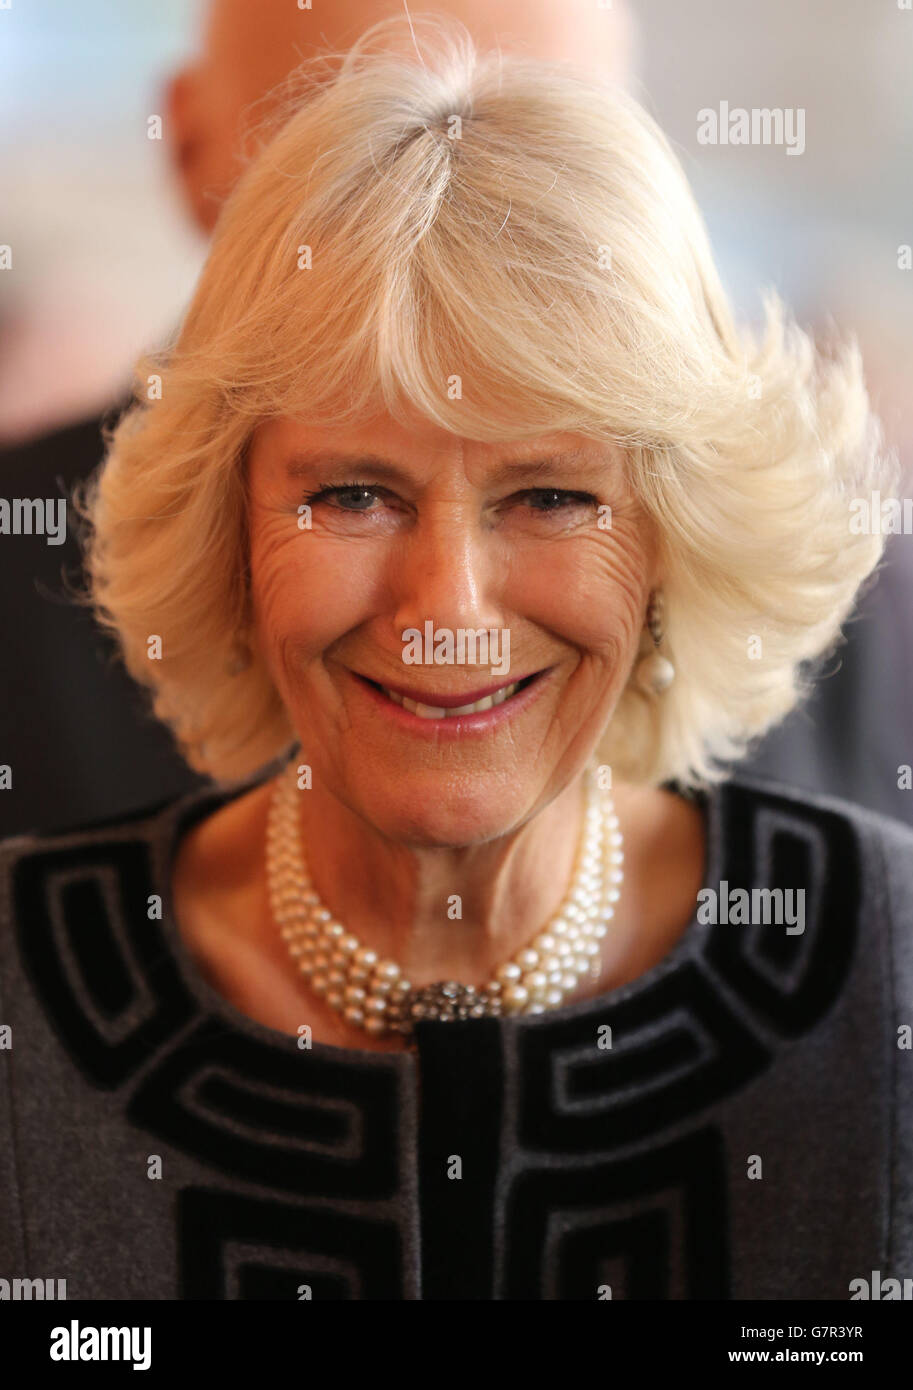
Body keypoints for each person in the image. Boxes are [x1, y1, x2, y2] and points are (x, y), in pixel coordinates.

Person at [1, 15, 910, 1301]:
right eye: (355, 494)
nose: (446, 606)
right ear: (228, 534)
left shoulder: (887, 979)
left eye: (548, 497)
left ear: (674, 544)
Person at [0, 0, 635, 840]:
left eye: (546, 155)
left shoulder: (823, 619)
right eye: (356, 143)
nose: (451, 204)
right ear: (190, 147)